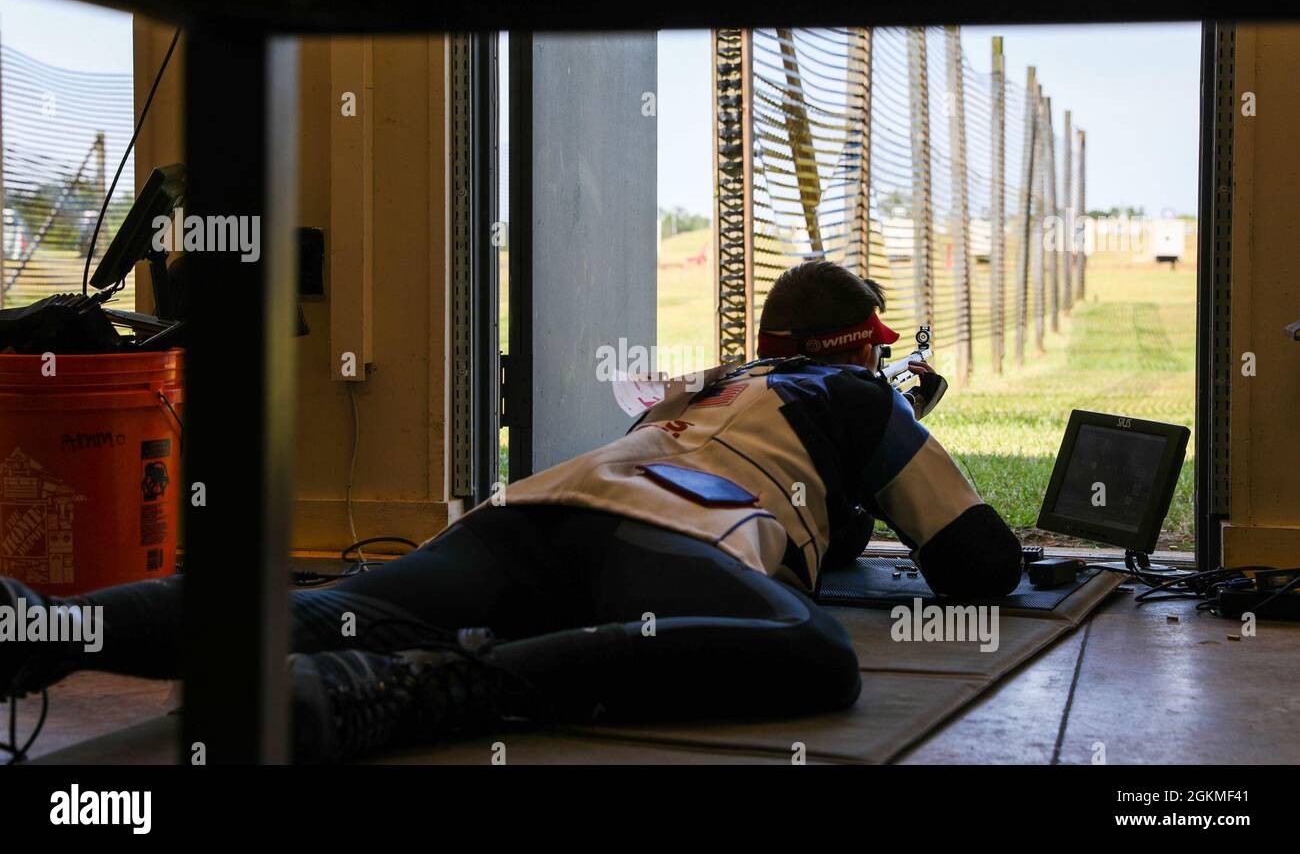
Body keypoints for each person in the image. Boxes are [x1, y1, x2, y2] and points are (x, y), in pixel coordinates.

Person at [1, 259, 1021, 764]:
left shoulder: (707, 383)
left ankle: (45, 624)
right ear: (855, 351)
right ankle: (443, 689)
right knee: (810, 655)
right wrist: (900, 426)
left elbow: (820, 526)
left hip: (529, 509)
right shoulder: (851, 395)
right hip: (674, 532)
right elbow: (978, 562)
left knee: (324, 608)